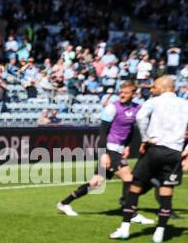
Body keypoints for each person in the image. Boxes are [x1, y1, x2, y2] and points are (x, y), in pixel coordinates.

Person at [111, 75, 188, 243]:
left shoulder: (154, 101)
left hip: (154, 149)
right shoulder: (186, 104)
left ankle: (124, 229)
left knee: (134, 188)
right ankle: (160, 232)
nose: (151, 89)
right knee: (166, 192)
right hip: (174, 153)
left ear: (164, 87)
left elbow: (140, 117)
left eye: (154, 86)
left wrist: (145, 139)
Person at [57, 81, 146, 218]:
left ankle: (64, 203)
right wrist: (103, 154)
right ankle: (130, 212)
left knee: (95, 183)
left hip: (119, 149)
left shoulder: (137, 108)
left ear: (134, 94)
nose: (122, 95)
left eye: (125, 93)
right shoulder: (112, 108)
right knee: (129, 178)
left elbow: (131, 130)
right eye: (121, 92)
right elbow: (103, 133)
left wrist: (127, 146)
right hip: (110, 149)